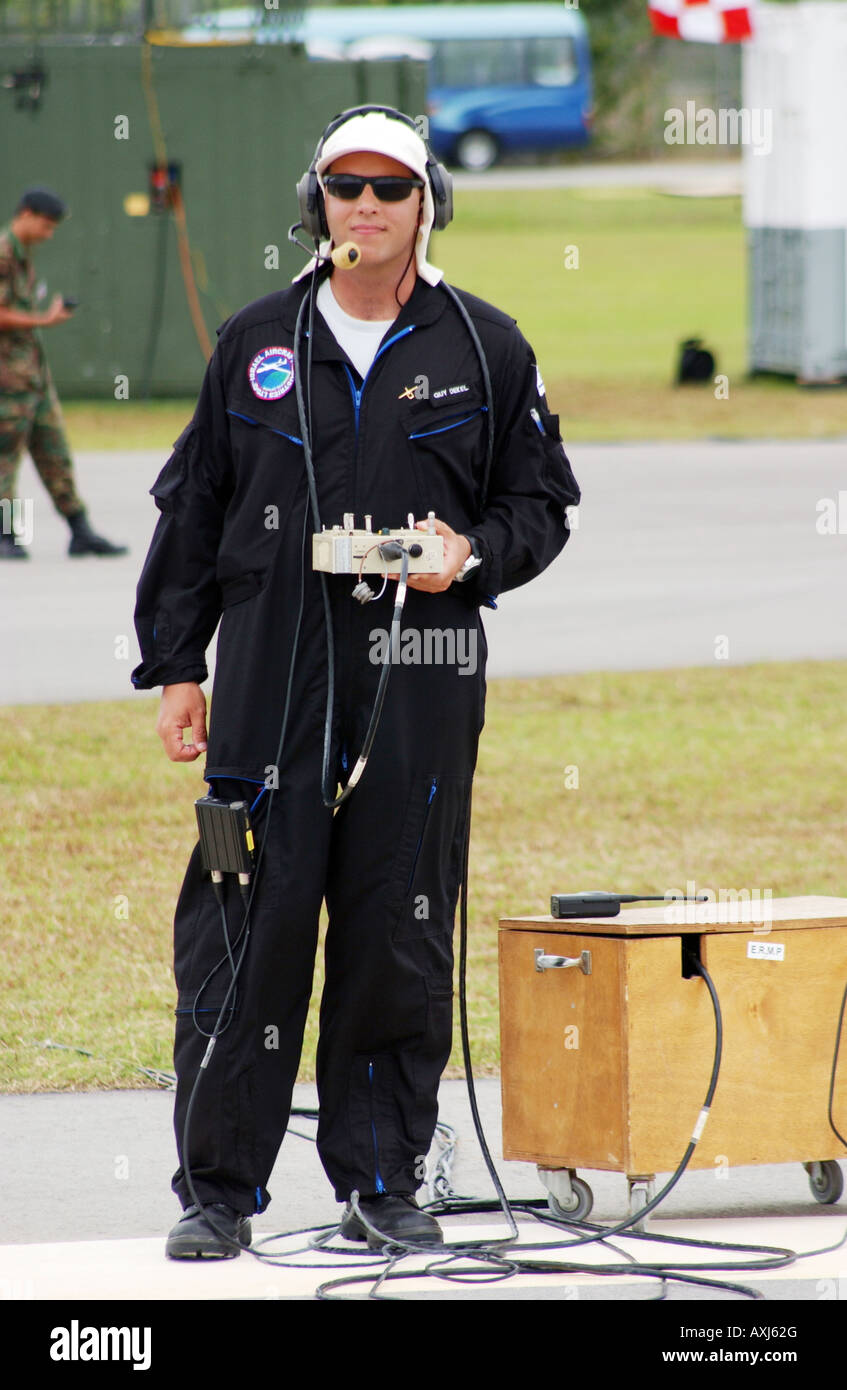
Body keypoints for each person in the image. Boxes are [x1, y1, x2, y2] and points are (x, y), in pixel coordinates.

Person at [132, 106, 580, 1258]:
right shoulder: (255, 342)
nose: (365, 207)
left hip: (420, 680)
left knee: (397, 926)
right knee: (243, 930)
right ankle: (218, 1189)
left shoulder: (486, 347)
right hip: (270, 683)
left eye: (389, 187)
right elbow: (194, 513)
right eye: (344, 187)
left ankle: (383, 1177)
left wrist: (470, 554)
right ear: (314, 201)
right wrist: (175, 664)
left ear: (428, 201)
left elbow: (540, 507)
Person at [0, 187, 128, 560]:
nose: (49, 232)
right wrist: (45, 318)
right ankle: (7, 534)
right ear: (26, 214)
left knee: (55, 453)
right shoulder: (4, 255)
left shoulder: (22, 255)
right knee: (5, 461)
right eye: (46, 223)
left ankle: (80, 530)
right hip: (8, 383)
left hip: (33, 380)